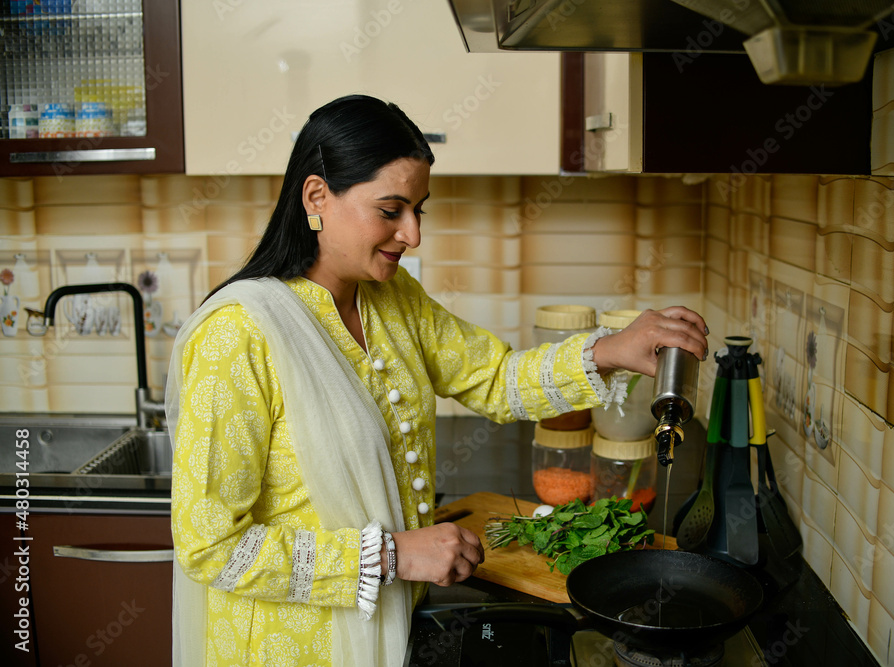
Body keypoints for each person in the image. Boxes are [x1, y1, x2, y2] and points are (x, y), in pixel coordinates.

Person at [165, 94, 709, 667]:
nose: (413, 235)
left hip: (388, 627)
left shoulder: (392, 298)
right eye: (391, 210)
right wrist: (393, 555)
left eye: (419, 210)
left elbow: (495, 377)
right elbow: (211, 547)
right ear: (317, 196)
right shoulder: (239, 333)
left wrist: (612, 350)